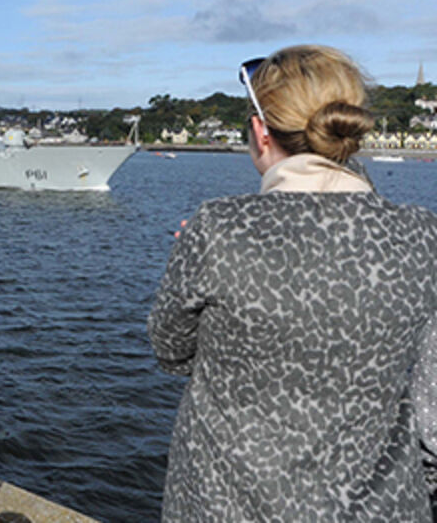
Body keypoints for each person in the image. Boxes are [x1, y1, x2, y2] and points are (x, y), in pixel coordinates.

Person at [148, 45, 437, 521]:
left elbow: (171, 350)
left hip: (225, 507)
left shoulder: (221, 228)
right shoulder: (423, 235)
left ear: (261, 132)